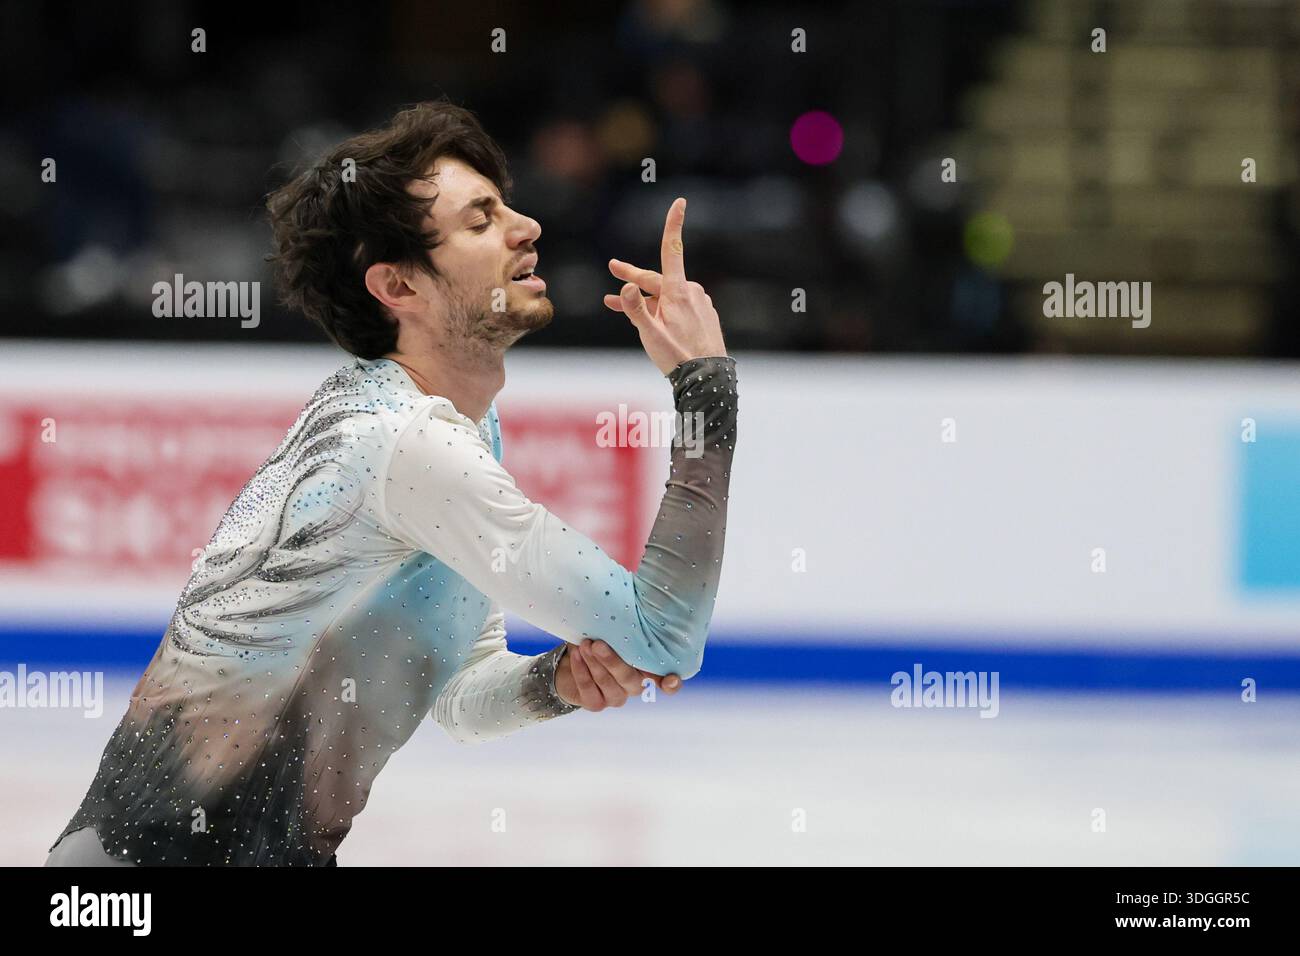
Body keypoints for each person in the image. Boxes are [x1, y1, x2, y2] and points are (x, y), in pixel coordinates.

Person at [46, 100, 738, 866]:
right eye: (481, 221)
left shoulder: (428, 423)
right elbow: (669, 635)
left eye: (504, 205)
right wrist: (703, 387)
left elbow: (459, 696)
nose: (526, 226)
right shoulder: (408, 445)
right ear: (399, 287)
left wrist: (557, 682)